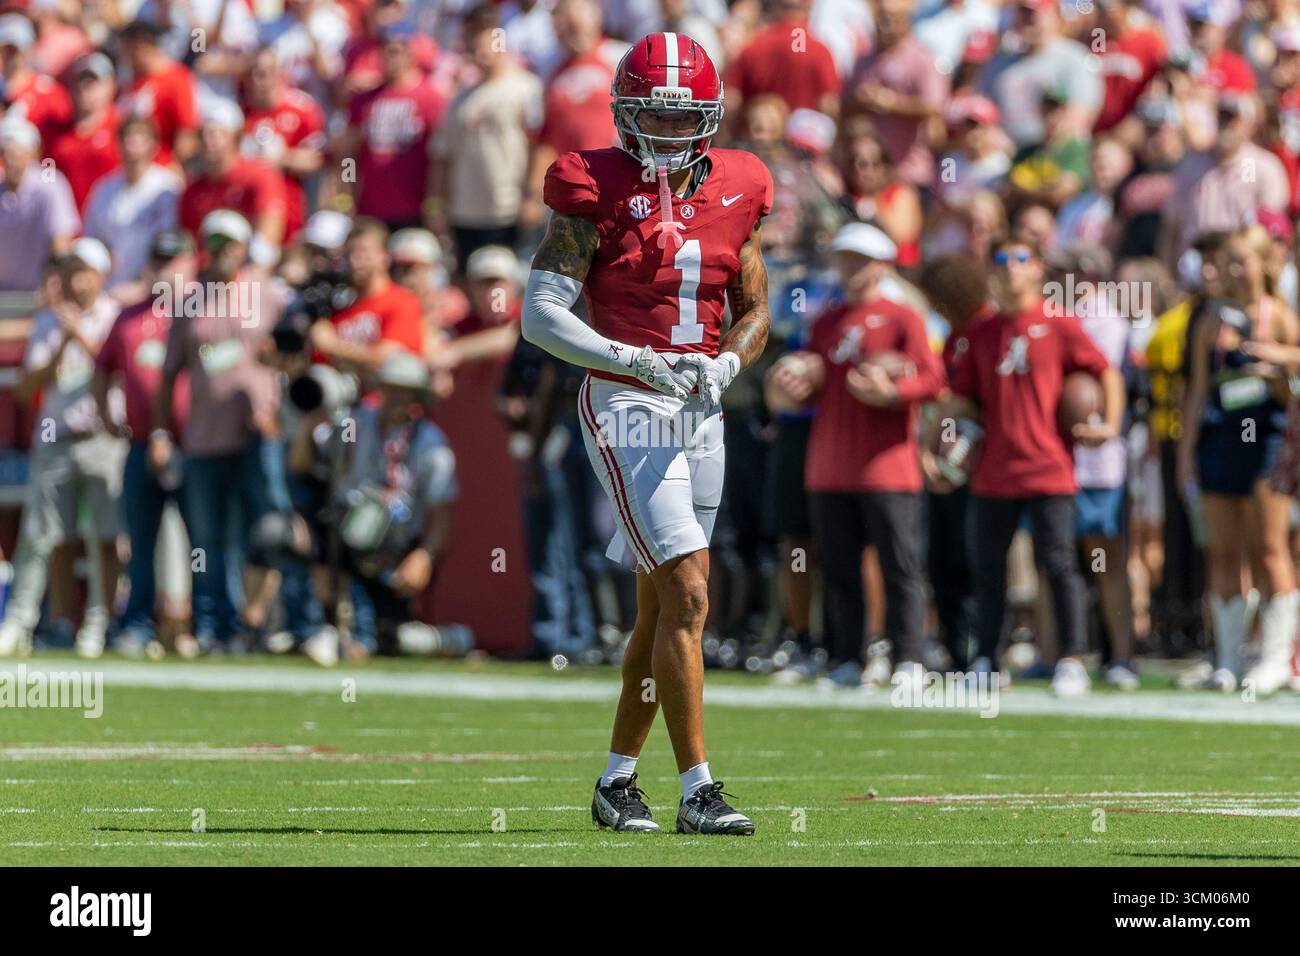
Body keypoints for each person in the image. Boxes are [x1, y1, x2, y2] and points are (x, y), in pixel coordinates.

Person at [522, 34, 770, 834]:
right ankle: (700, 790)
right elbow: (540, 315)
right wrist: (633, 357)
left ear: (709, 118)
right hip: (626, 401)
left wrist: (728, 365)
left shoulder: (742, 182)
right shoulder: (588, 181)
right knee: (691, 589)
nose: (665, 136)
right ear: (622, 114)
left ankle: (615, 783)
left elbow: (756, 307)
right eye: (651, 119)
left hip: (701, 403)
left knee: (662, 610)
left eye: (680, 120)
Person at [941, 232, 1124, 696]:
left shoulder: (1059, 323)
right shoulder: (981, 331)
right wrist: (935, 440)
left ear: (1038, 267)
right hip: (994, 471)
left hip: (1049, 466)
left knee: (1059, 564)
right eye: (1001, 259)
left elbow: (1105, 371)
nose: (1010, 267)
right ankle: (986, 657)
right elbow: (960, 398)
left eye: (1020, 258)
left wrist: (1109, 424)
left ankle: (1072, 658)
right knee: (988, 569)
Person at [765, 222, 944, 688]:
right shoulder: (825, 320)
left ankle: (909, 657)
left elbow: (932, 380)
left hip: (888, 466)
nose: (851, 267)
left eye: (861, 259)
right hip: (830, 464)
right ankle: (846, 656)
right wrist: (790, 388)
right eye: (845, 258)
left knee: (900, 566)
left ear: (882, 264)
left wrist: (892, 392)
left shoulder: (903, 317)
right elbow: (813, 387)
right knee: (839, 568)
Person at [150, 210, 282, 654]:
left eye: (231, 243)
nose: (223, 251)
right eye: (215, 242)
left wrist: (275, 394)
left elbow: (296, 348)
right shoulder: (190, 300)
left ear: (244, 247)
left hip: (257, 435)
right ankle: (214, 626)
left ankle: (264, 622)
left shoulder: (267, 292)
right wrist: (161, 433)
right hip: (204, 437)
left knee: (268, 529)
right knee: (207, 539)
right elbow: (169, 374)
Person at [1179, 228, 1300, 692]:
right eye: (1225, 261)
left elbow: (1291, 378)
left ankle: (1275, 658)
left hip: (1267, 439)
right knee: (1223, 551)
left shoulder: (1280, 317)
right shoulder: (1212, 320)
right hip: (1221, 438)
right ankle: (1227, 658)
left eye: (1239, 261)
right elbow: (1197, 389)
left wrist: (1277, 363)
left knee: (1270, 549)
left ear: (1260, 264)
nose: (1230, 270)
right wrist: (1186, 454)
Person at [0, 240, 124, 658]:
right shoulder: (50, 321)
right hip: (56, 438)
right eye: (72, 270)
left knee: (105, 537)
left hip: (103, 436)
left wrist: (82, 337)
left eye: (85, 271)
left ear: (102, 275)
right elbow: (27, 387)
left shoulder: (114, 317)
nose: (77, 279)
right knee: (43, 535)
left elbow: (118, 372)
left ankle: (99, 623)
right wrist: (61, 343)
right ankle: (26, 623)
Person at [91, 230, 197, 657]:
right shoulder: (130, 316)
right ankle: (137, 624)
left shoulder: (200, 314)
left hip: (196, 446)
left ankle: (200, 625)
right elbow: (102, 369)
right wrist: (104, 415)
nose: (167, 270)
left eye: (176, 261)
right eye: (160, 261)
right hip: (138, 444)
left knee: (201, 541)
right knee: (141, 540)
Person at [335, 351, 458, 657]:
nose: (397, 397)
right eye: (391, 388)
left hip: (398, 547)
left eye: (406, 390)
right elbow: (313, 466)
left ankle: (385, 632)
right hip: (347, 539)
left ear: (417, 396)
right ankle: (335, 624)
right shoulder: (354, 424)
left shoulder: (431, 443)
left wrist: (424, 557)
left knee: (395, 636)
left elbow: (443, 512)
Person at [82, 116, 184, 292]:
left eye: (140, 137)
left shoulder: (168, 188)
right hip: (108, 292)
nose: (133, 144)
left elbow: (174, 248)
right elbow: (92, 241)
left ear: (154, 144)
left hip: (153, 293)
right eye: (127, 137)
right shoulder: (104, 189)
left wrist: (144, 287)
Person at [0, 117, 79, 294]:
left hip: (39, 295)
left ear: (34, 153)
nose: (13, 159)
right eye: (8, 152)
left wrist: (56, 286)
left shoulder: (51, 186)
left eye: (19, 152)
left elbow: (61, 242)